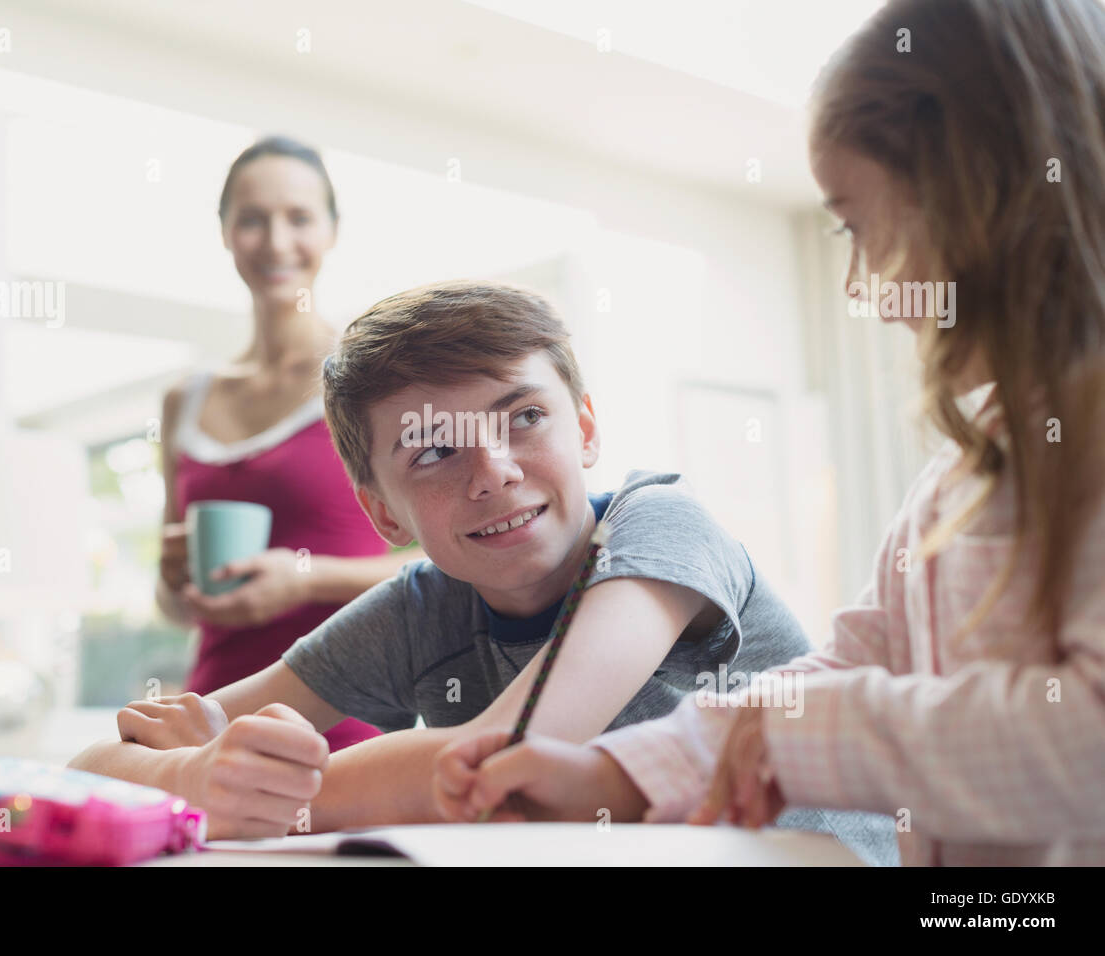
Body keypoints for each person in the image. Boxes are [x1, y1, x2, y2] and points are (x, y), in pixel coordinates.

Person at [433, 0, 1105, 866]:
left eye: (862, 228)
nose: (860, 287)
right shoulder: (958, 474)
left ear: (987, 198)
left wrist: (820, 734)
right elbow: (852, 665)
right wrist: (620, 775)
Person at [74, 280, 897, 863]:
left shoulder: (661, 532)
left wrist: (247, 790)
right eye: (433, 450)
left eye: (525, 419)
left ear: (584, 430)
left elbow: (503, 760)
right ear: (384, 515)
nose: (494, 471)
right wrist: (187, 771)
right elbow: (88, 767)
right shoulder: (420, 607)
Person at [155, 135, 422, 752]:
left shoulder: (377, 377)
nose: (276, 242)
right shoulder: (185, 400)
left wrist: (304, 579)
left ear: (331, 231)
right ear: (224, 232)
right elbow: (173, 605)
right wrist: (175, 580)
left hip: (345, 722)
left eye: (299, 218)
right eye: (252, 219)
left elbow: (441, 566)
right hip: (208, 726)